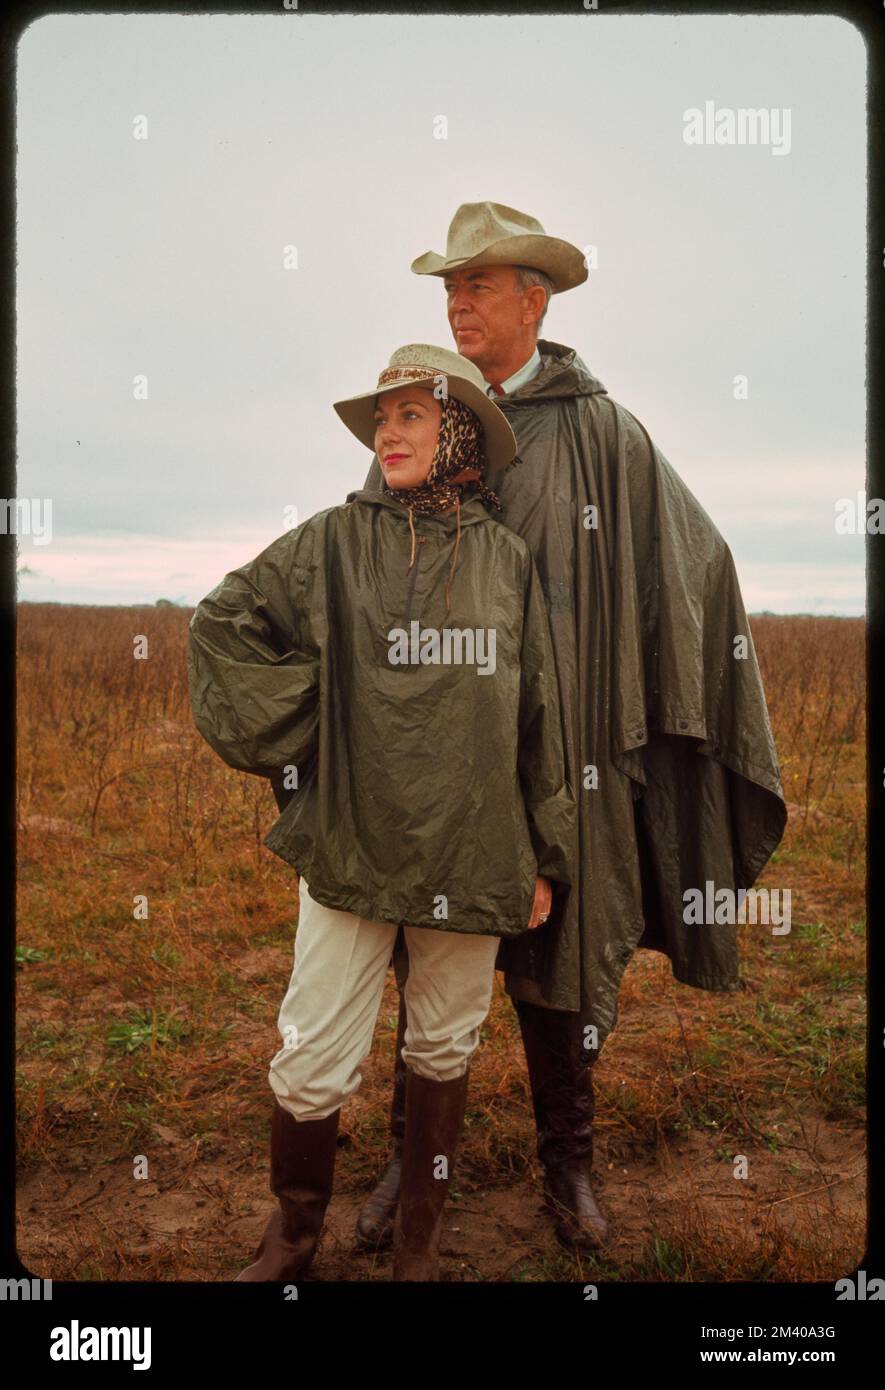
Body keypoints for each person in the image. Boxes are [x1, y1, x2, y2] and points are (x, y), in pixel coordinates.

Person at [357, 202, 788, 1254]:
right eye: (448, 287)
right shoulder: (422, 414)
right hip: (444, 750)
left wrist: (636, 688)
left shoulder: (602, 430)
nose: (457, 302)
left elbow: (699, 556)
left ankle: (571, 1165)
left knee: (562, 957)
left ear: (534, 301)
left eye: (479, 285)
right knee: (432, 956)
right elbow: (366, 553)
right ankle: (412, 1166)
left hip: (568, 755)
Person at [186, 343, 577, 1281]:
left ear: (459, 434)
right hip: (354, 836)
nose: (387, 432)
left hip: (477, 840)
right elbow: (220, 622)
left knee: (443, 1043)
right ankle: (292, 1238)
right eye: (381, 417)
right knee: (314, 1046)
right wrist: (321, 707)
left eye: (410, 414)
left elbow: (536, 716)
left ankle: (418, 1246)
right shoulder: (330, 540)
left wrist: (544, 855)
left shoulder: (505, 561)